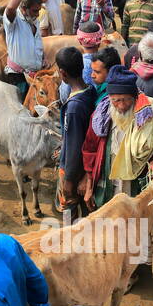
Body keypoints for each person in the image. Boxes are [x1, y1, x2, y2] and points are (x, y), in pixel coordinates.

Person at [79, 64, 153, 209]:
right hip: (108, 182)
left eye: (126, 99)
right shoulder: (100, 117)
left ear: (135, 97)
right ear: (109, 98)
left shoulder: (149, 118)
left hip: (136, 183)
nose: (121, 106)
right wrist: (90, 184)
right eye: (116, 100)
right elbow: (90, 150)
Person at [56, 45, 96, 221]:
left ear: (62, 73)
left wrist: (69, 182)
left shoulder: (74, 107)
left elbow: (73, 148)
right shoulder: (90, 91)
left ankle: (70, 244)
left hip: (74, 172)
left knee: (69, 215)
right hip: (86, 168)